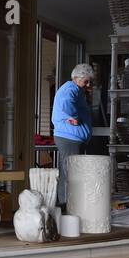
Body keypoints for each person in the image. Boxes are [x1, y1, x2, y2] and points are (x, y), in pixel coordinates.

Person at [51, 63, 95, 206]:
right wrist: (74, 116)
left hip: (72, 138)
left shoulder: (75, 89)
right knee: (70, 173)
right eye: (86, 81)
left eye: (89, 81)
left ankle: (70, 205)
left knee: (72, 172)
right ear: (76, 78)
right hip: (69, 138)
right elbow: (66, 103)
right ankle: (66, 206)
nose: (88, 85)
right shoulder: (71, 88)